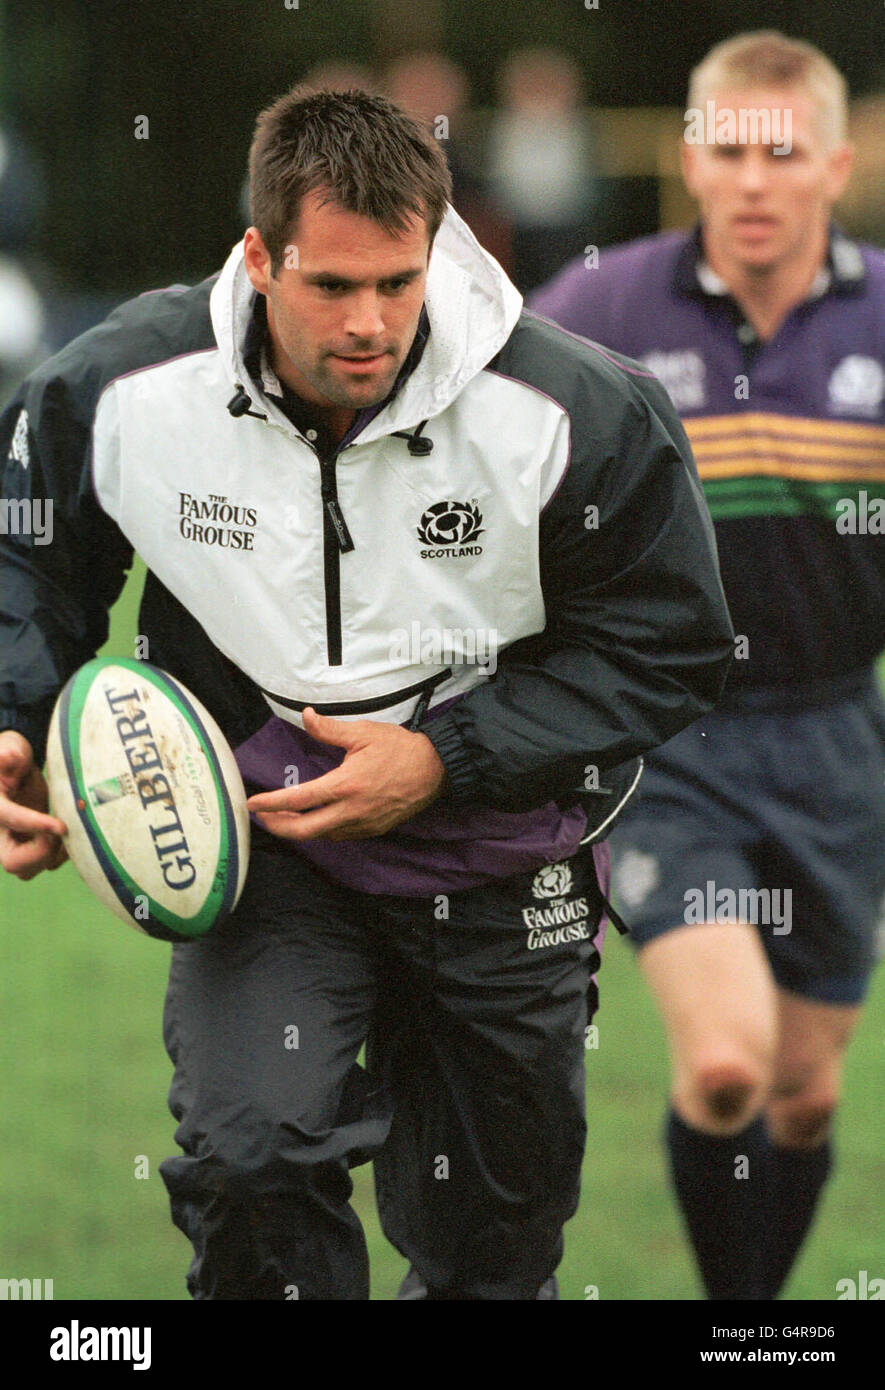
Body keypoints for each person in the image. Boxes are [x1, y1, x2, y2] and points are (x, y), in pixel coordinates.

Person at [0, 87, 733, 1301]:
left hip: (504, 855)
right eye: (330, 285)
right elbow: (30, 560)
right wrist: (15, 724)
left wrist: (447, 757)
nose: (370, 321)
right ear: (257, 255)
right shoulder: (126, 388)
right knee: (250, 1163)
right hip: (265, 849)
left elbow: (671, 642)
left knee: (490, 1251)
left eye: (399, 281)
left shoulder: (576, 412)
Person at [530, 30, 885, 1301]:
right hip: (671, 741)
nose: (751, 181)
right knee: (729, 1063)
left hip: (841, 744)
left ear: (834, 164)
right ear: (691, 156)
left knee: (801, 1092)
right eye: (727, 150)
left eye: (781, 153)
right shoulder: (596, 313)